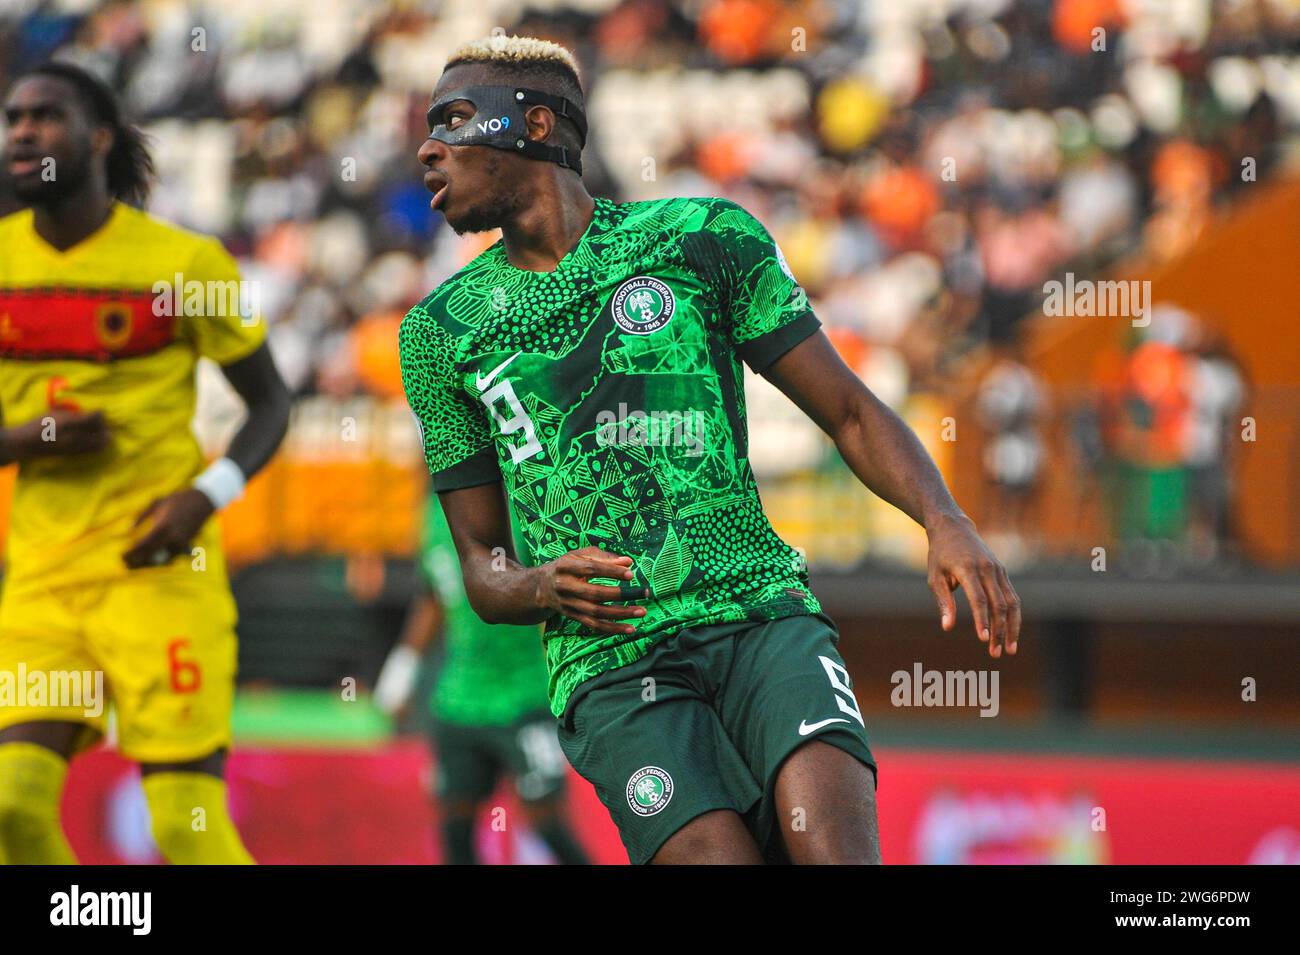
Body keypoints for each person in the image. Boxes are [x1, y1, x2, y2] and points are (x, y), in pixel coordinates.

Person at [399, 35, 1021, 865]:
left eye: (457, 120)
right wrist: (542, 582)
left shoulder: (699, 235)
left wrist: (942, 517)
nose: (428, 146)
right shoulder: (438, 334)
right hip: (611, 663)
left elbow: (848, 411)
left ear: (536, 124)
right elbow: (480, 564)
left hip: (760, 615)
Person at [0, 62, 290, 864]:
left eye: (44, 116)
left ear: (98, 137)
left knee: (184, 830)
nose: (22, 131)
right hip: (42, 581)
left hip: (160, 569)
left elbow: (272, 402)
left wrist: (205, 496)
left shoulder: (187, 266)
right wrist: (30, 440)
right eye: (14, 117)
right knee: (10, 809)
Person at [374, 496, 590, 865]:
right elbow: (432, 595)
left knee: (547, 822)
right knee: (455, 828)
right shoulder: (432, 512)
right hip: (458, 699)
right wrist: (402, 669)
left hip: (525, 696)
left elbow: (563, 590)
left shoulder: (526, 502)